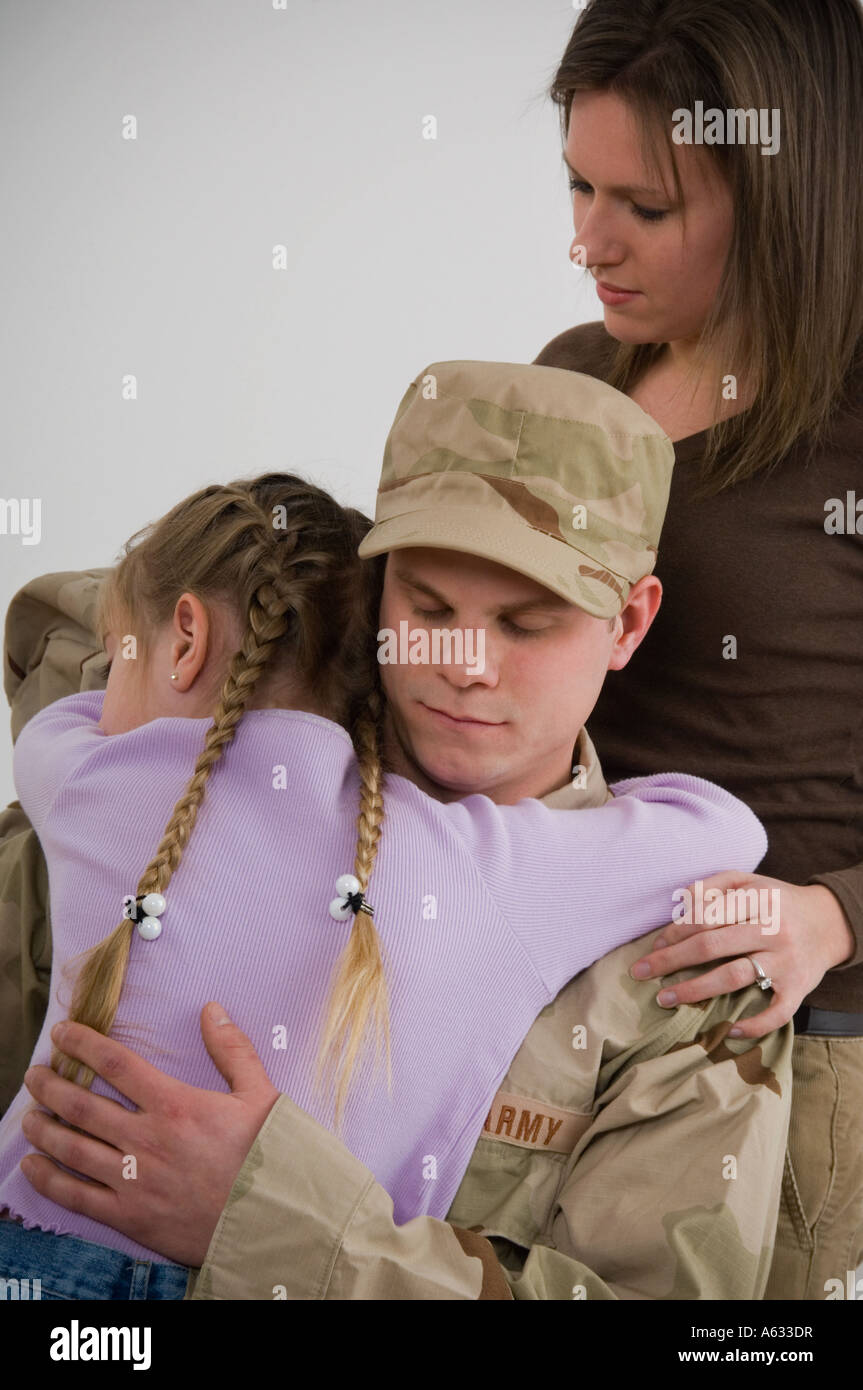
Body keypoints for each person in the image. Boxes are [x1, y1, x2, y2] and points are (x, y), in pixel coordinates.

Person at [3, 363, 792, 1300]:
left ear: (627, 622)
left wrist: (286, 1230)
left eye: (525, 623)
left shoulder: (696, 969)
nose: (464, 666)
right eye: (426, 609)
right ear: (371, 587)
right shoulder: (170, 786)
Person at [531, 0, 863, 1301]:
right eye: (574, 183)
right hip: (547, 1019)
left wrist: (826, 918)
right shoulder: (574, 378)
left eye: (643, 207)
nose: (583, 242)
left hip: (773, 1050)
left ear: (786, 194)